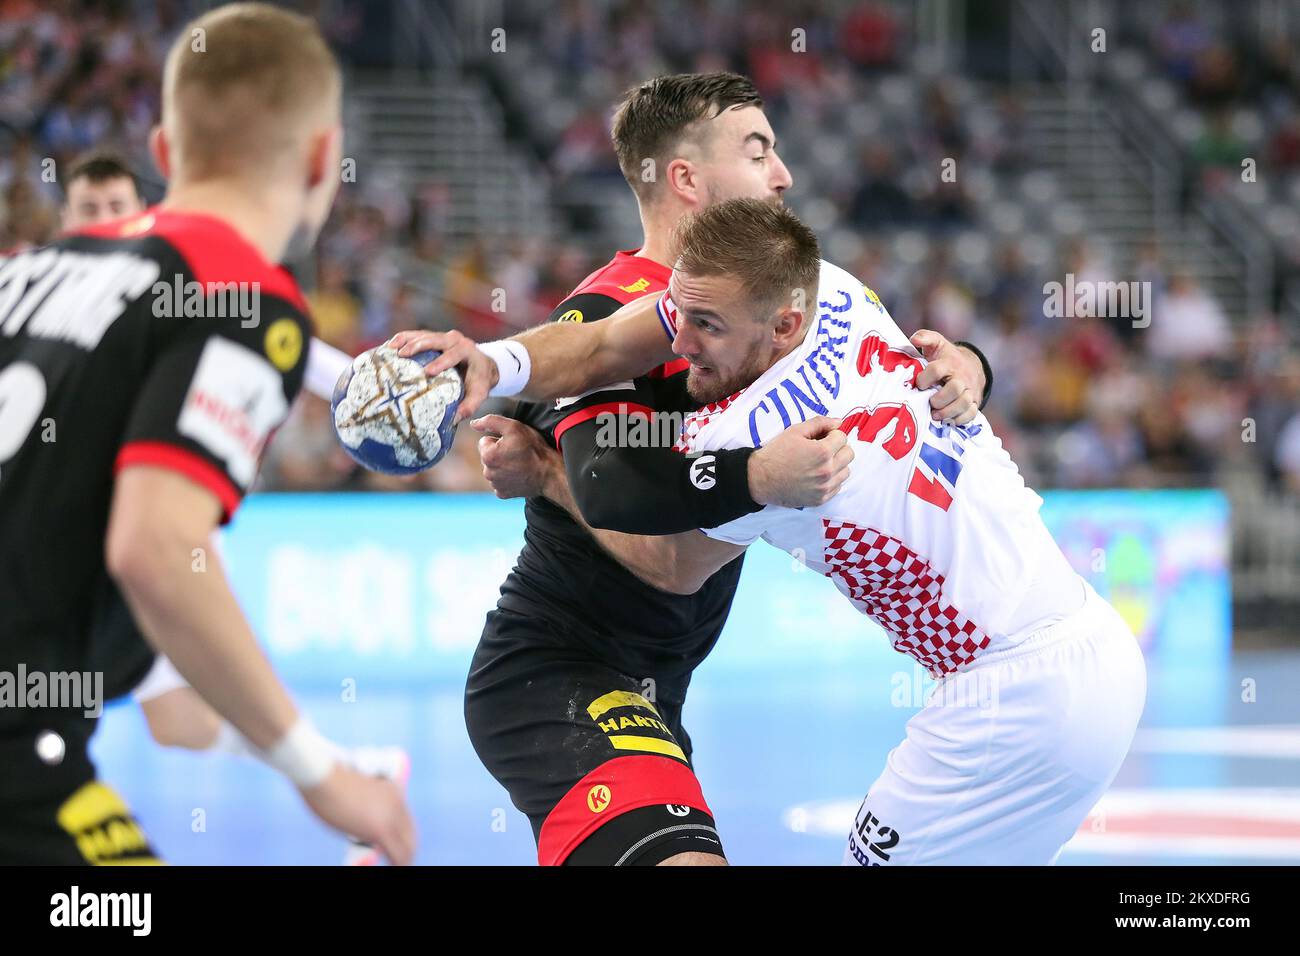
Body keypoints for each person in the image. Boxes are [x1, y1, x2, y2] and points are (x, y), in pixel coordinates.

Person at [421, 198, 1147, 865]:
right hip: (1100, 651)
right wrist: (976, 364)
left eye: (708, 327)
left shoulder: (765, 444)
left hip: (1010, 695)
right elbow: (614, 342)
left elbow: (641, 524)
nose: (682, 342)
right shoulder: (832, 287)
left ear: (782, 327)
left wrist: (548, 468)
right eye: (678, 313)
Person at [390, 72, 991, 866]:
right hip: (561, 669)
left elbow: (897, 365)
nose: (784, 175)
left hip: (657, 687)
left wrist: (972, 366)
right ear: (686, 179)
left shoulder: (770, 295)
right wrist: (757, 481)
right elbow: (656, 548)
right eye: (758, 152)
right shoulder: (608, 309)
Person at [0, 2, 413, 865]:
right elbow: (155, 550)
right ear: (318, 158)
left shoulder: (36, 271)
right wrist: (321, 775)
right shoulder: (246, 301)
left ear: (161, 153)